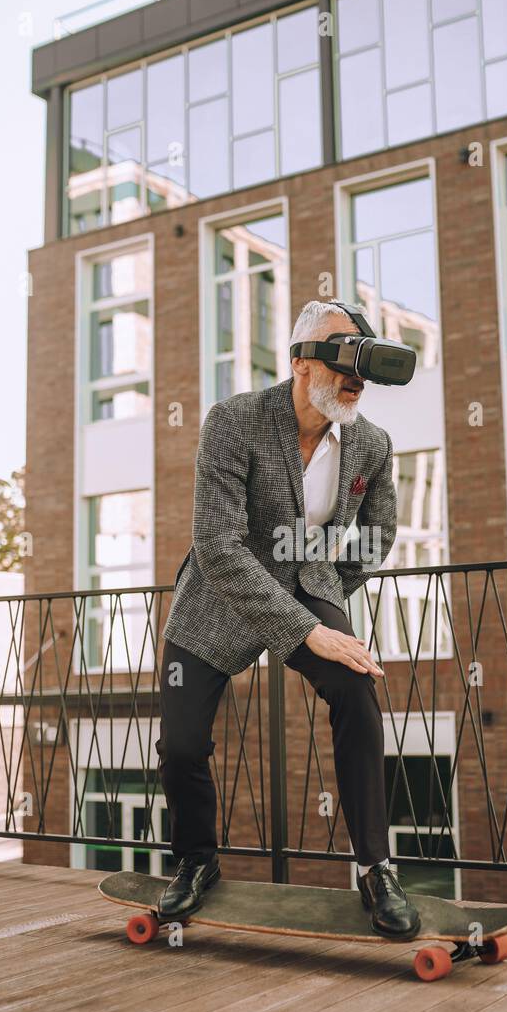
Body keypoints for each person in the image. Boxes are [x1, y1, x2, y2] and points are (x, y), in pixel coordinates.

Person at [156, 299, 420, 937]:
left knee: (356, 691)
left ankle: (375, 869)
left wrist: (325, 590)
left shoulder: (371, 444)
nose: (355, 378)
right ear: (301, 362)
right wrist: (306, 630)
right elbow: (218, 545)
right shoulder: (235, 420)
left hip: (305, 585)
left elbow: (376, 536)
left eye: (365, 364)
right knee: (181, 744)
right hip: (219, 598)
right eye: (341, 360)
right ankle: (196, 861)